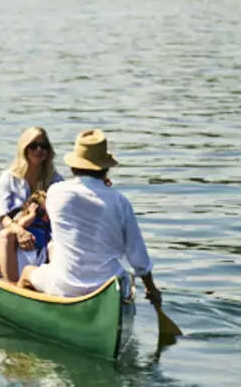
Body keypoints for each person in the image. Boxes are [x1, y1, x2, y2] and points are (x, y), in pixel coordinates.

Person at [20, 129, 162, 309]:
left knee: (26, 273)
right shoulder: (120, 201)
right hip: (108, 287)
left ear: (73, 167)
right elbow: (138, 257)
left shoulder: (57, 192)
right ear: (105, 168)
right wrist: (151, 288)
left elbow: (49, 201)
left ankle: (31, 313)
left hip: (65, 286)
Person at [0, 127, 61, 282]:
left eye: (44, 146)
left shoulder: (55, 180)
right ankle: (12, 287)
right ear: (24, 149)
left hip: (44, 234)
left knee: (58, 243)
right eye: (33, 146)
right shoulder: (9, 178)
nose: (39, 150)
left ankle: (58, 287)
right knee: (6, 236)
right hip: (10, 234)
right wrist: (19, 231)